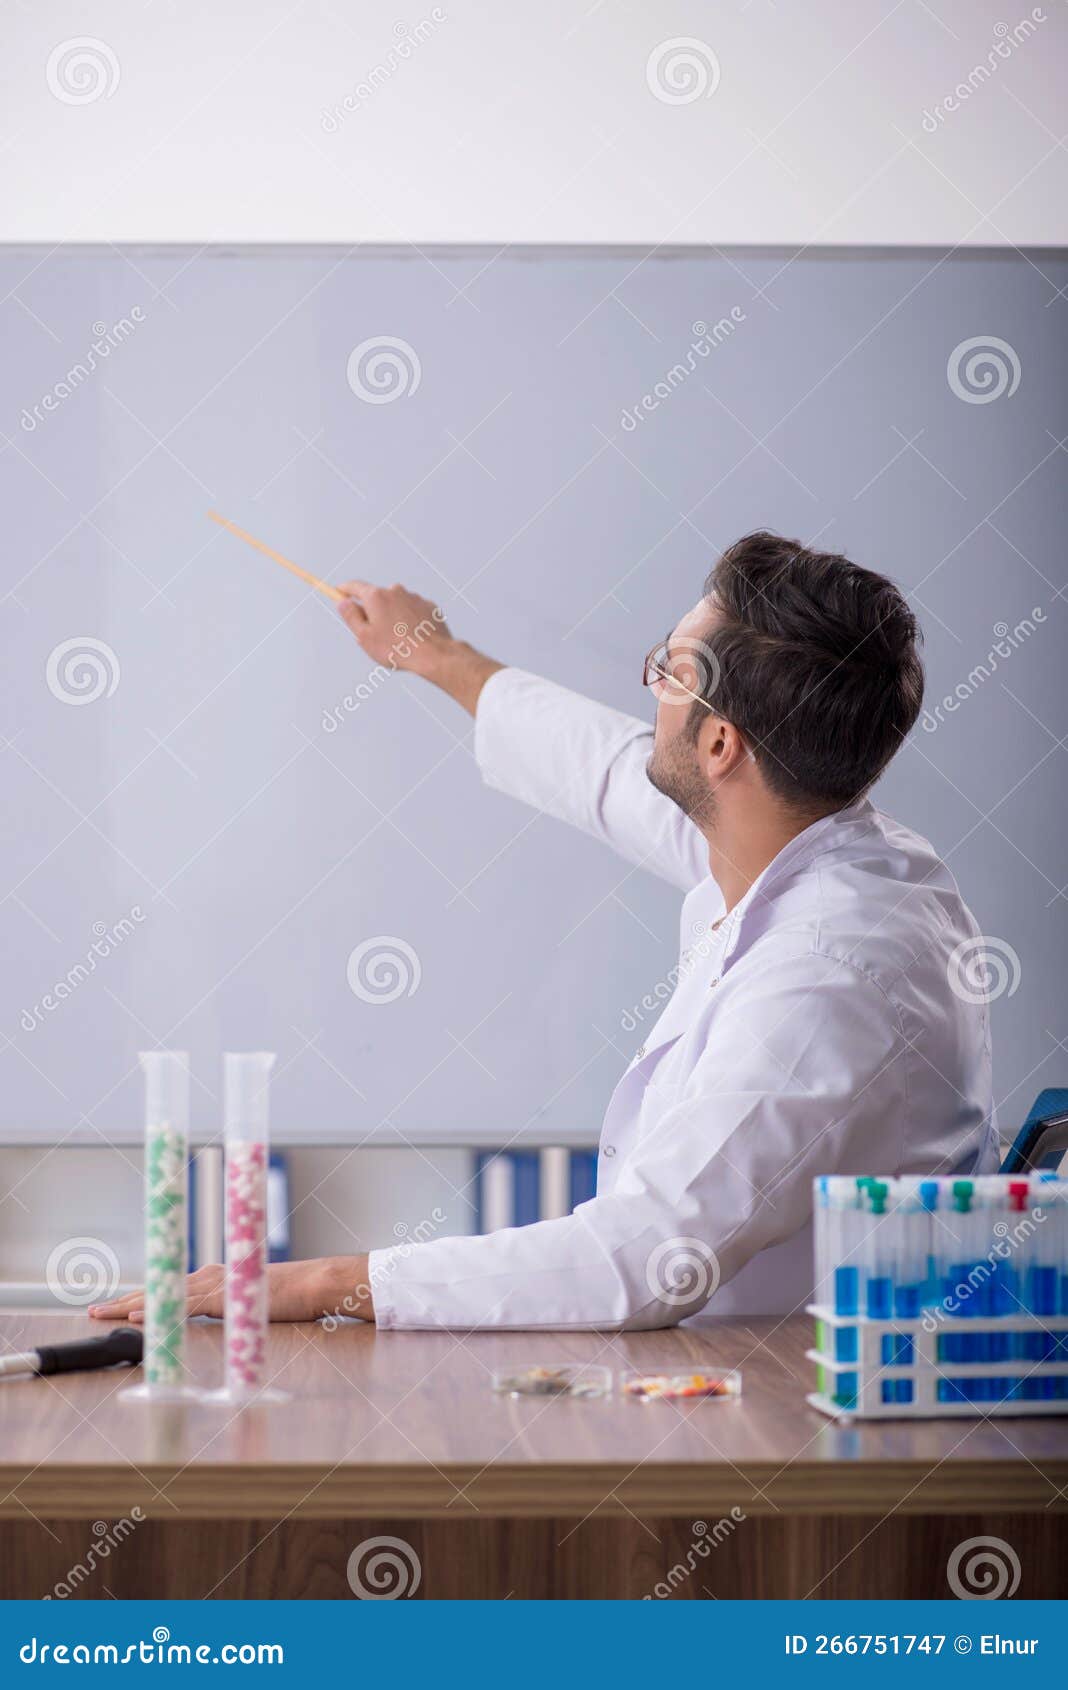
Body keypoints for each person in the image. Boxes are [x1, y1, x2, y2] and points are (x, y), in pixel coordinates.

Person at [91, 531, 998, 1334]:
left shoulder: (827, 976)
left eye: (669, 670)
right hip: (765, 1387)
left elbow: (645, 1255)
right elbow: (606, 773)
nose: (650, 690)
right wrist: (436, 656)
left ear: (721, 746)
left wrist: (334, 1279)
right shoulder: (819, 851)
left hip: (816, 1450)